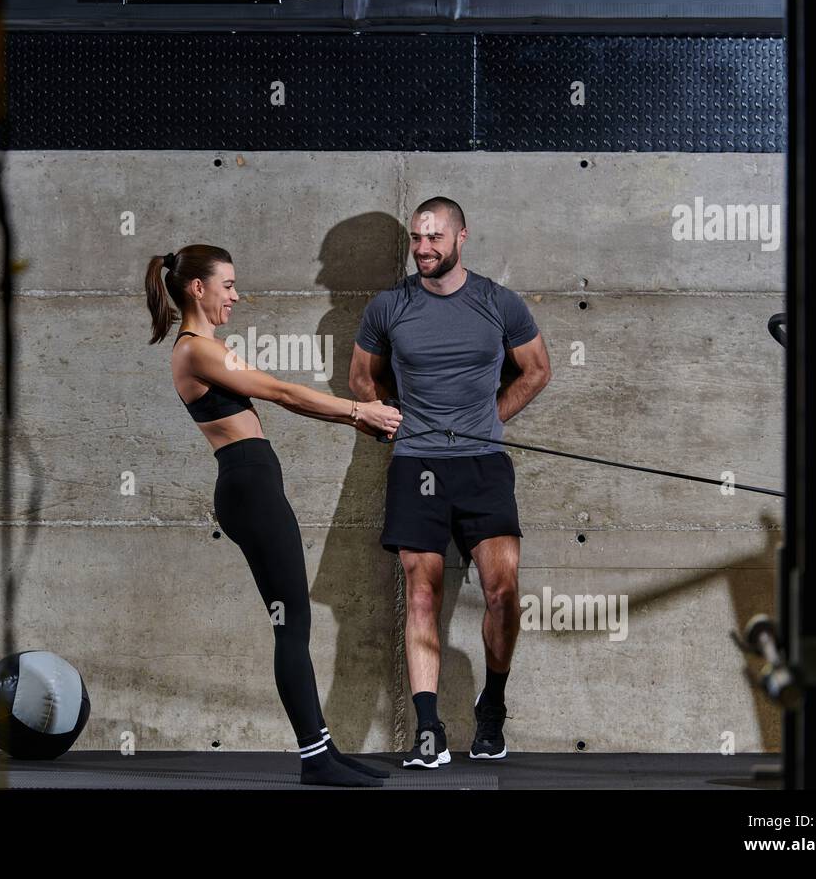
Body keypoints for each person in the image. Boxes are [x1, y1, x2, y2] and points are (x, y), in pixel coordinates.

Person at [145, 244, 402, 786]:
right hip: (249, 488)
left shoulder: (206, 348)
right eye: (228, 285)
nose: (236, 296)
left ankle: (322, 752)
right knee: (292, 624)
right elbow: (284, 393)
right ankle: (316, 759)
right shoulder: (195, 350)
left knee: (295, 624)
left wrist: (357, 418)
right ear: (199, 288)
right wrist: (360, 410)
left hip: (253, 485)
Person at [349, 197, 551, 768]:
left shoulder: (498, 302)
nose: (422, 248)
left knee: (503, 593)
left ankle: (492, 712)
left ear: (462, 237)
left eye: (434, 237)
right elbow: (361, 380)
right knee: (420, 594)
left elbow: (537, 369)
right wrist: (389, 418)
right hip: (418, 465)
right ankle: (428, 728)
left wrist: (490, 421)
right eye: (416, 238)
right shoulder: (389, 306)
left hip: (483, 463)